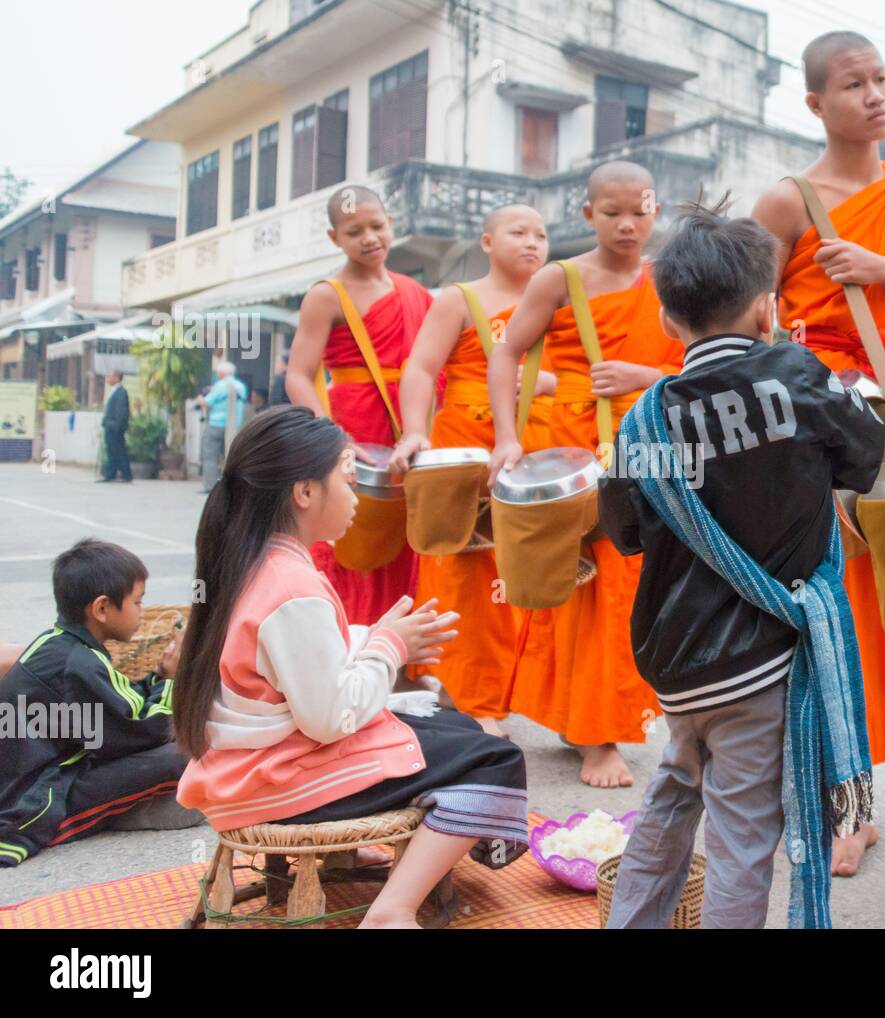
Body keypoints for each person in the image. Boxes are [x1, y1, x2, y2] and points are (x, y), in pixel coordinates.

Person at [600, 199, 885, 927]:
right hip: (760, 666)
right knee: (743, 835)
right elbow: (867, 454)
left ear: (668, 321)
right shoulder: (796, 374)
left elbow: (625, 530)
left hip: (678, 666)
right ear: (767, 310)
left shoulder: (645, 416)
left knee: (671, 800)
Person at [174, 406, 529, 929]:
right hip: (276, 779)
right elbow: (330, 716)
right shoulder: (290, 584)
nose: (358, 494)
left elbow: (296, 662)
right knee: (498, 760)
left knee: (459, 728)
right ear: (304, 492)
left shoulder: (254, 561)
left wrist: (383, 639)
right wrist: (388, 646)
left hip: (249, 766)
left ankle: (357, 850)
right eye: (347, 477)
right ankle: (393, 910)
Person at [751, 30, 885, 875]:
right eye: (851, 83)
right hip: (816, 424)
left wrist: (882, 272)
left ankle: (861, 796)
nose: (873, 95)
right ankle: (840, 798)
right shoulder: (786, 203)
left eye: (880, 79)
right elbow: (748, 321)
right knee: (821, 614)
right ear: (815, 105)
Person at [486, 161, 683, 788]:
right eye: (612, 212)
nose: (628, 224)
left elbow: (700, 364)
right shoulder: (559, 278)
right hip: (574, 447)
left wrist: (645, 378)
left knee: (641, 586)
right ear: (587, 215)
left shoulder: (672, 281)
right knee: (589, 592)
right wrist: (508, 437)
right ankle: (597, 736)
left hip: (653, 441)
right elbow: (506, 354)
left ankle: (620, 714)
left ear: (657, 210)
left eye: (641, 209)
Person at [392, 205, 556, 739]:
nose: (532, 243)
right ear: (487, 241)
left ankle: (534, 695)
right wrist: (414, 431)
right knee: (467, 574)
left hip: (538, 444)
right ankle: (472, 696)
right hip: (467, 444)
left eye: (541, 234)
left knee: (538, 571)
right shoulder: (459, 299)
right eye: (518, 232)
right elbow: (420, 367)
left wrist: (546, 385)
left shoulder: (559, 300)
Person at [0, 539, 203, 867]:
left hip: (40, 772)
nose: (140, 611)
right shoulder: (78, 663)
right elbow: (148, 729)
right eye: (137, 602)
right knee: (183, 753)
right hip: (35, 798)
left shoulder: (59, 644)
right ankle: (82, 819)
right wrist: (173, 679)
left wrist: (162, 676)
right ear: (102, 608)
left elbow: (125, 706)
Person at [284, 184, 432, 626]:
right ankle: (347, 647)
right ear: (335, 238)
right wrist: (333, 439)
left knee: (406, 539)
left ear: (391, 225)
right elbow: (297, 374)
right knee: (351, 534)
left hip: (410, 426)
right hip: (353, 423)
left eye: (377, 226)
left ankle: (402, 655)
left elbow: (434, 367)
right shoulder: (326, 295)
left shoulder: (414, 293)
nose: (369, 238)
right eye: (354, 231)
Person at [197, 361, 248, 493]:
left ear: (221, 373)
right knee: (232, 457)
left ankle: (211, 487)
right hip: (234, 427)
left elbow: (206, 402)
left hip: (215, 425)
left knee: (210, 456)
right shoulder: (241, 387)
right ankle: (233, 488)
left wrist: (200, 399)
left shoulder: (220, 386)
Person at [97, 370, 132, 483]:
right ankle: (117, 474)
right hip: (110, 426)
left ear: (117, 378)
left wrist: (115, 425)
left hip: (114, 427)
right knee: (114, 451)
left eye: (110, 376)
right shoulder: (114, 391)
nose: (107, 378)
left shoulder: (121, 392)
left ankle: (118, 474)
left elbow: (121, 411)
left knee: (117, 450)